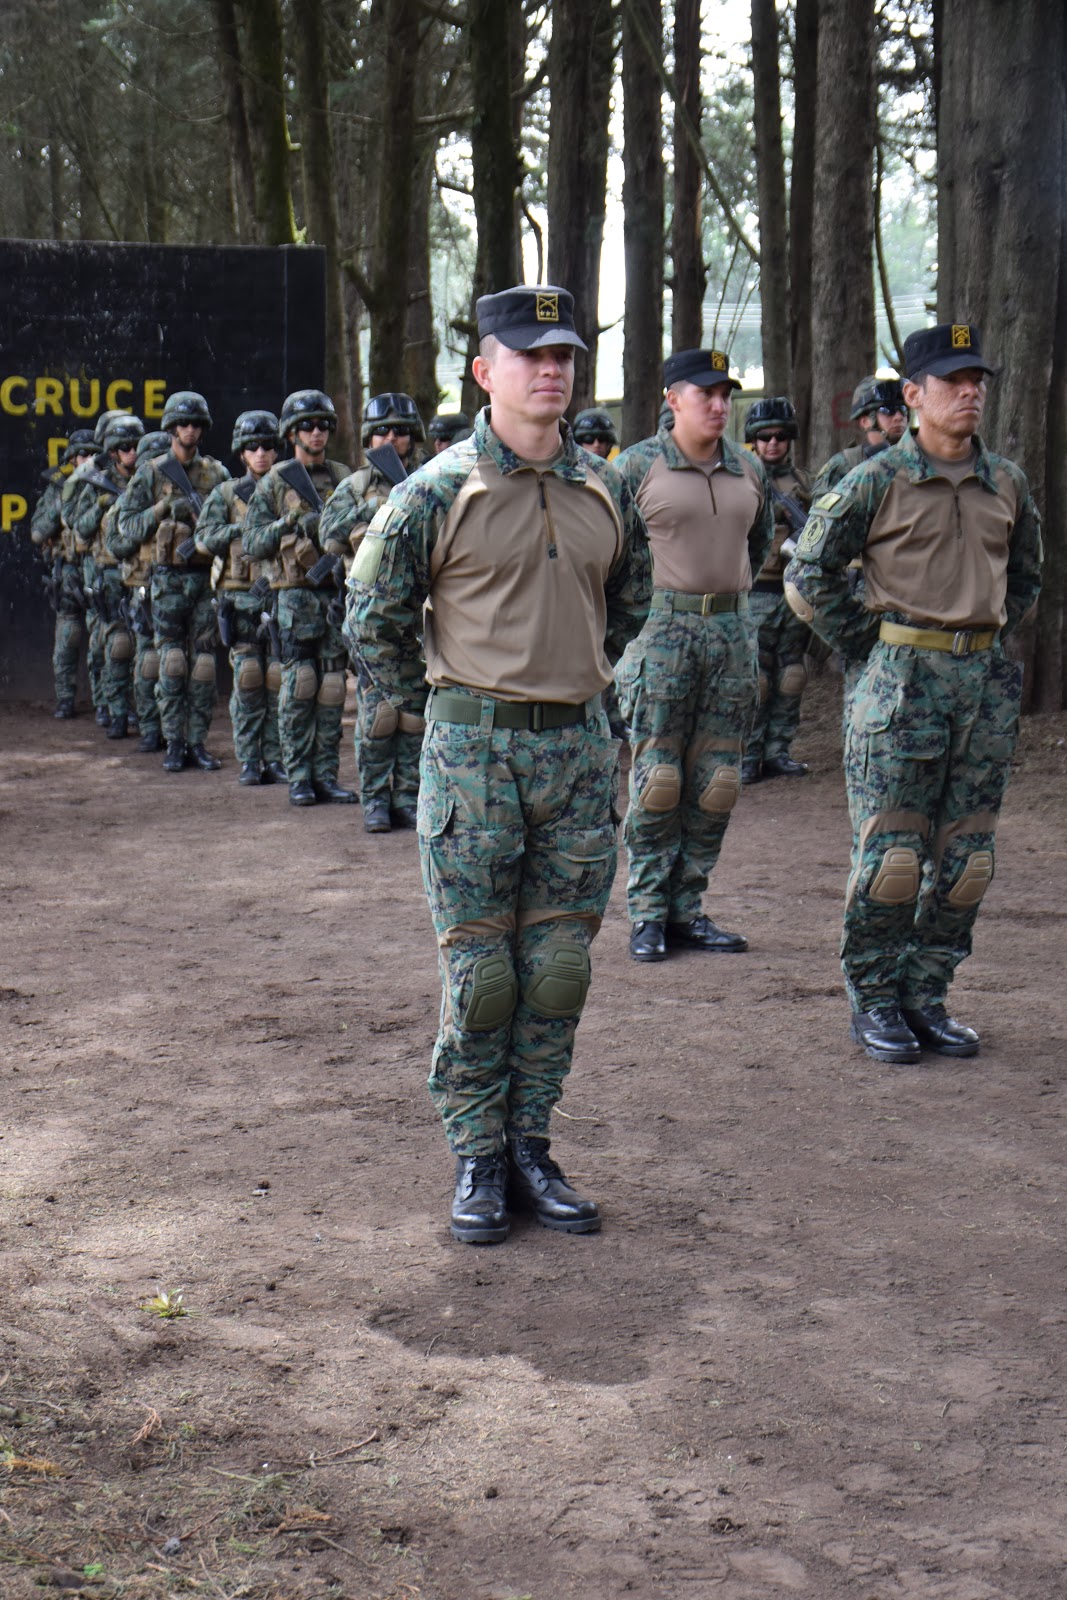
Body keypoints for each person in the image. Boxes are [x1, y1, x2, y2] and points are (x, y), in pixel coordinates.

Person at [345, 283, 650, 1245]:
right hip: (472, 758)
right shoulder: (433, 492)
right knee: (483, 975)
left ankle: (531, 1143)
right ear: (485, 371)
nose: (551, 368)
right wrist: (450, 704)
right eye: (529, 355)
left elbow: (629, 604)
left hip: (576, 750)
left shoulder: (604, 487)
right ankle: (476, 1154)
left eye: (562, 353)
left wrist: (576, 679)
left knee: (556, 967)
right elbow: (372, 621)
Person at [784, 322, 1043, 1065]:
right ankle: (873, 997)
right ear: (913, 395)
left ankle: (926, 993)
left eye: (977, 381)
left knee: (966, 860)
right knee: (893, 858)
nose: (969, 392)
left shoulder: (1007, 484)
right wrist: (868, 647)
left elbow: (1023, 577)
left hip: (982, 688)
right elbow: (808, 573)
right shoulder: (874, 480)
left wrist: (981, 641)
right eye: (953, 381)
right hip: (899, 690)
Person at [613, 348, 773, 964]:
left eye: (725, 393)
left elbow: (757, 546)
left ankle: (689, 909)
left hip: (732, 637)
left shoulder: (748, 469)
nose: (719, 404)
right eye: (705, 393)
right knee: (659, 779)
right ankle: (648, 913)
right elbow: (609, 553)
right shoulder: (635, 468)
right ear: (672, 398)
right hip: (660, 635)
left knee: (716, 783)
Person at [242, 388, 355, 807]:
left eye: (324, 424)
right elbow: (251, 542)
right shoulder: (275, 481)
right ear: (291, 432)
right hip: (293, 598)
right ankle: (299, 776)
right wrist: (288, 522)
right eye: (307, 425)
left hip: (333, 596)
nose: (317, 432)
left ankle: (326, 775)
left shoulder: (344, 476)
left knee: (331, 690)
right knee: (299, 686)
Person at [321, 391, 426, 831]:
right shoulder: (355, 486)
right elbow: (328, 537)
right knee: (379, 713)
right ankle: (376, 800)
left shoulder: (433, 477)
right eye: (381, 431)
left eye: (400, 431)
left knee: (416, 714)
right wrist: (378, 507)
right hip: (374, 619)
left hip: (425, 614)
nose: (391, 438)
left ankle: (408, 796)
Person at [117, 391, 230, 772]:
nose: (190, 430)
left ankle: (197, 742)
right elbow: (127, 527)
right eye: (183, 423)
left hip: (203, 579)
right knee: (171, 664)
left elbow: (237, 522)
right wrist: (164, 508)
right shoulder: (151, 473)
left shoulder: (215, 474)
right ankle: (173, 742)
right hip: (164, 580)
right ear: (171, 428)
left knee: (202, 667)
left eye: (196, 423)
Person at [196, 411, 287, 786]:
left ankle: (277, 758)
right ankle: (250, 759)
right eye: (253, 447)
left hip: (281, 597)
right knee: (248, 679)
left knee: (278, 682)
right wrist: (248, 528)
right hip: (240, 597)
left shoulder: (290, 489)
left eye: (268, 446)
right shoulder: (226, 494)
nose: (261, 453)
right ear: (241, 453)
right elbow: (204, 539)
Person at [742, 396, 813, 782]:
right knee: (758, 679)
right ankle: (748, 754)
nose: (773, 443)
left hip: (793, 591)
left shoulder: (804, 484)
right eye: (765, 436)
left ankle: (777, 751)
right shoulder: (740, 478)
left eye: (781, 436)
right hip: (755, 591)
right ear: (753, 439)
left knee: (791, 675)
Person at [68, 413, 145, 740]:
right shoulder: (96, 483)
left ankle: (140, 711)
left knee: (144, 647)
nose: (132, 452)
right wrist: (100, 504)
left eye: (136, 446)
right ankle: (115, 710)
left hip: (141, 573)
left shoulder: (148, 478)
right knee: (116, 645)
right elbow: (80, 529)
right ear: (113, 451)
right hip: (108, 573)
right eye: (125, 447)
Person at [107, 430, 172, 753]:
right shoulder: (128, 502)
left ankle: (176, 732)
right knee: (147, 661)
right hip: (143, 589)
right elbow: (115, 543)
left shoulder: (180, 494)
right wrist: (152, 522)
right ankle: (150, 726)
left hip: (176, 589)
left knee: (177, 663)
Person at [31, 430, 96, 719]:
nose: (90, 459)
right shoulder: (57, 490)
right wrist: (61, 505)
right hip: (68, 570)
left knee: (104, 638)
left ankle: (107, 703)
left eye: (95, 453)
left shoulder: (105, 486)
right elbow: (38, 533)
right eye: (84, 454)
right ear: (71, 459)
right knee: (68, 636)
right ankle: (66, 699)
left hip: (98, 569)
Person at [813, 374, 908, 496]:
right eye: (888, 410)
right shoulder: (843, 466)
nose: (899, 417)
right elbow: (821, 513)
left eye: (903, 409)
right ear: (865, 422)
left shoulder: (922, 459)